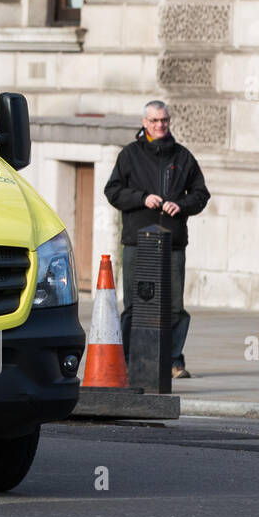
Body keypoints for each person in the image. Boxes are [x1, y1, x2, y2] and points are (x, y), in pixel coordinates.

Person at [103, 100, 210, 378]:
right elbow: (113, 191)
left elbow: (201, 194)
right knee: (134, 305)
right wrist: (141, 198)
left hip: (172, 242)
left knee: (174, 306)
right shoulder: (129, 155)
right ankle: (127, 360)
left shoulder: (183, 157)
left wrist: (181, 205)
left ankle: (174, 361)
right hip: (137, 241)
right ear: (144, 123)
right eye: (154, 121)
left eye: (164, 120)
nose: (160, 125)